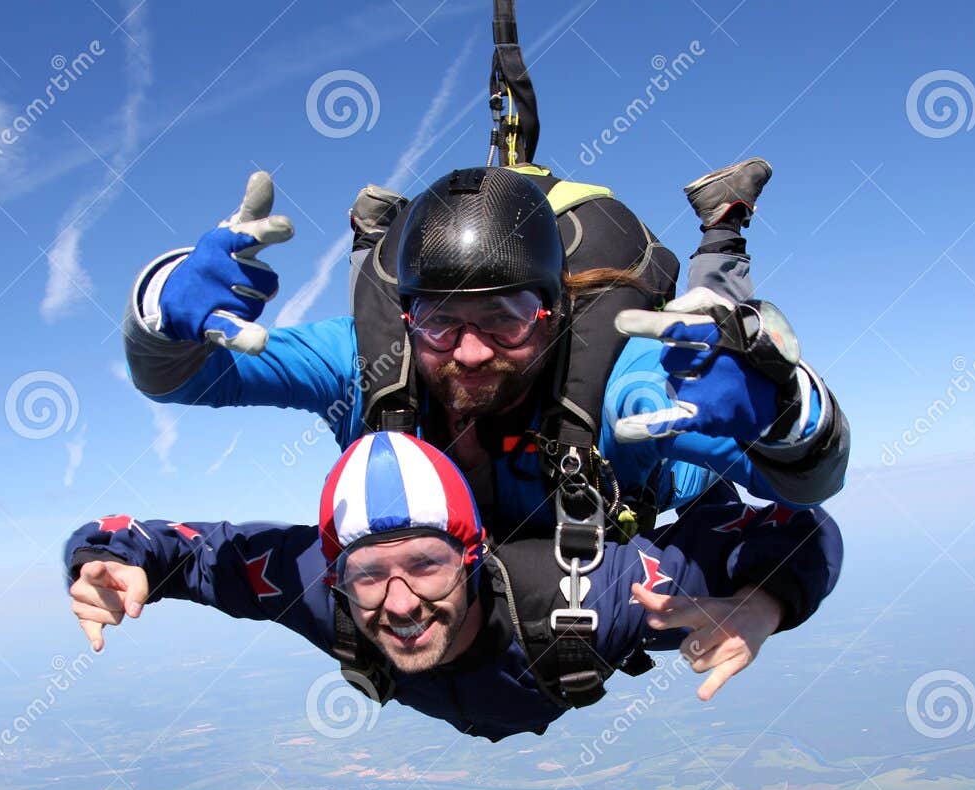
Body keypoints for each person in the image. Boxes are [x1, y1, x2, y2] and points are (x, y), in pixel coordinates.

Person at [121, 164, 848, 545]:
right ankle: (372, 244)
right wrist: (164, 312)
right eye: (440, 322)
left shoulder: (621, 388)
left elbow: (808, 483)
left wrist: (781, 407)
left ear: (554, 311)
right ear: (408, 317)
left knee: (711, 326)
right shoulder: (366, 361)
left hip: (660, 485)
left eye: (506, 318)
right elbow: (178, 379)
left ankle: (723, 228)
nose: (471, 351)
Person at [64, 433, 842, 742]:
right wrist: (107, 556)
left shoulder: (588, 596)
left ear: (473, 555)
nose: (400, 602)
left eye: (427, 564)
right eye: (369, 574)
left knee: (684, 471)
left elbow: (802, 525)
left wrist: (766, 601)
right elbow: (188, 549)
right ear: (338, 576)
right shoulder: (319, 590)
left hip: (633, 511)